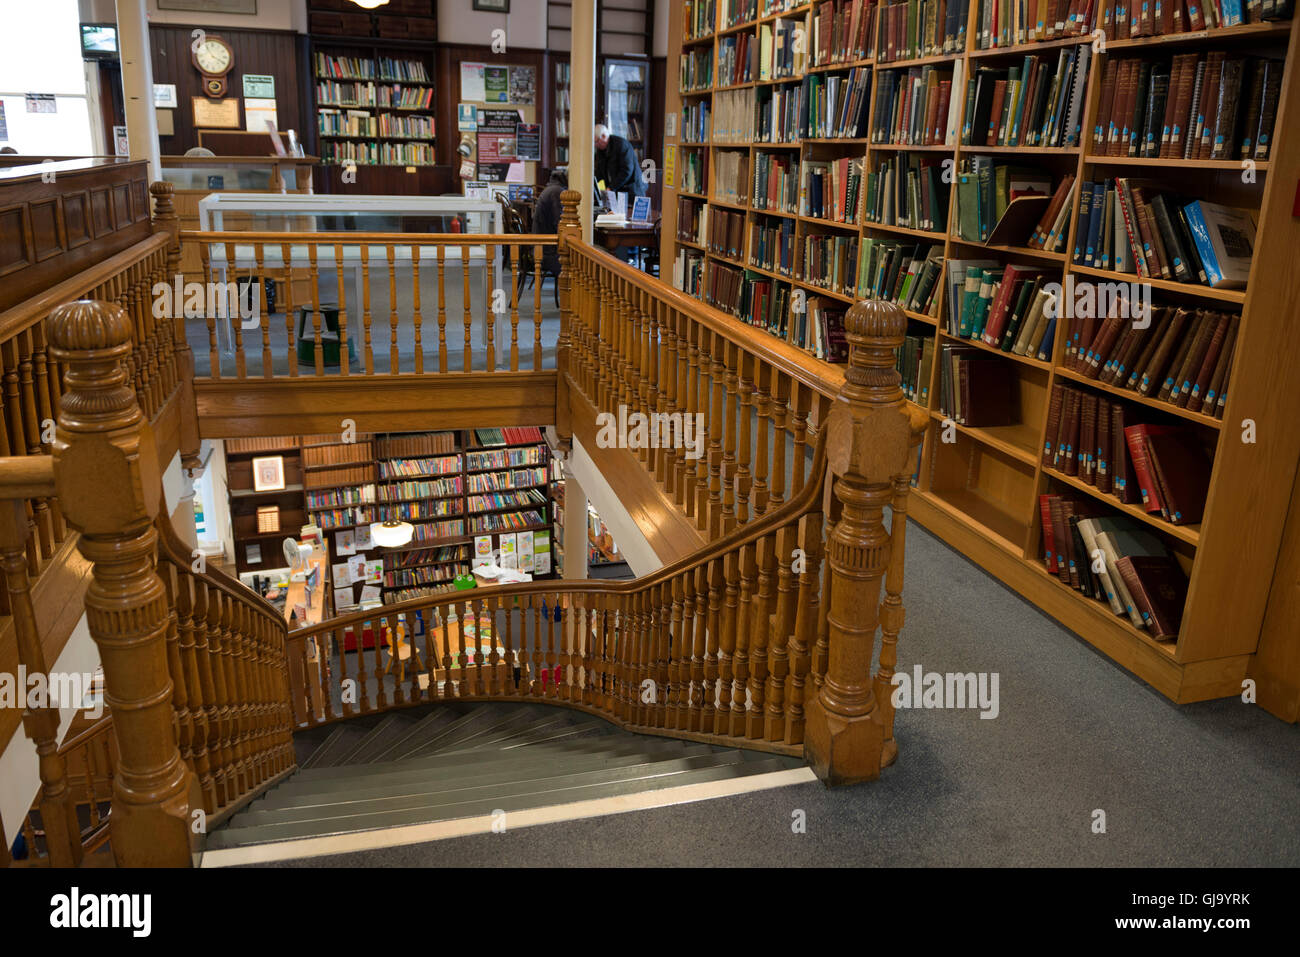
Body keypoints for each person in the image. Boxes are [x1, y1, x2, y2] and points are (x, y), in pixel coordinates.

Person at [593, 123, 645, 200]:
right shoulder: (601, 149)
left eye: (596, 141)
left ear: (604, 136)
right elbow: (599, 172)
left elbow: (626, 171)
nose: (595, 145)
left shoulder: (621, 145)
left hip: (631, 191)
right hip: (616, 190)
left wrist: (611, 188)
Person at [534, 167, 568, 276]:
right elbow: (559, 222)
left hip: (542, 247)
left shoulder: (551, 188)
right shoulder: (557, 192)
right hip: (548, 252)